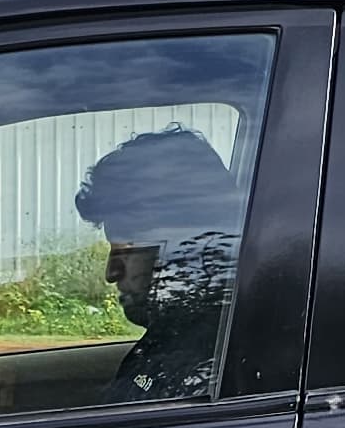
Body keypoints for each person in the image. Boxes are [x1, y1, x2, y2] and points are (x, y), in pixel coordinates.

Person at [71, 126, 243, 400]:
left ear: (184, 242)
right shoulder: (171, 341)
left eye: (127, 248)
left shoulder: (207, 373)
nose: (111, 273)